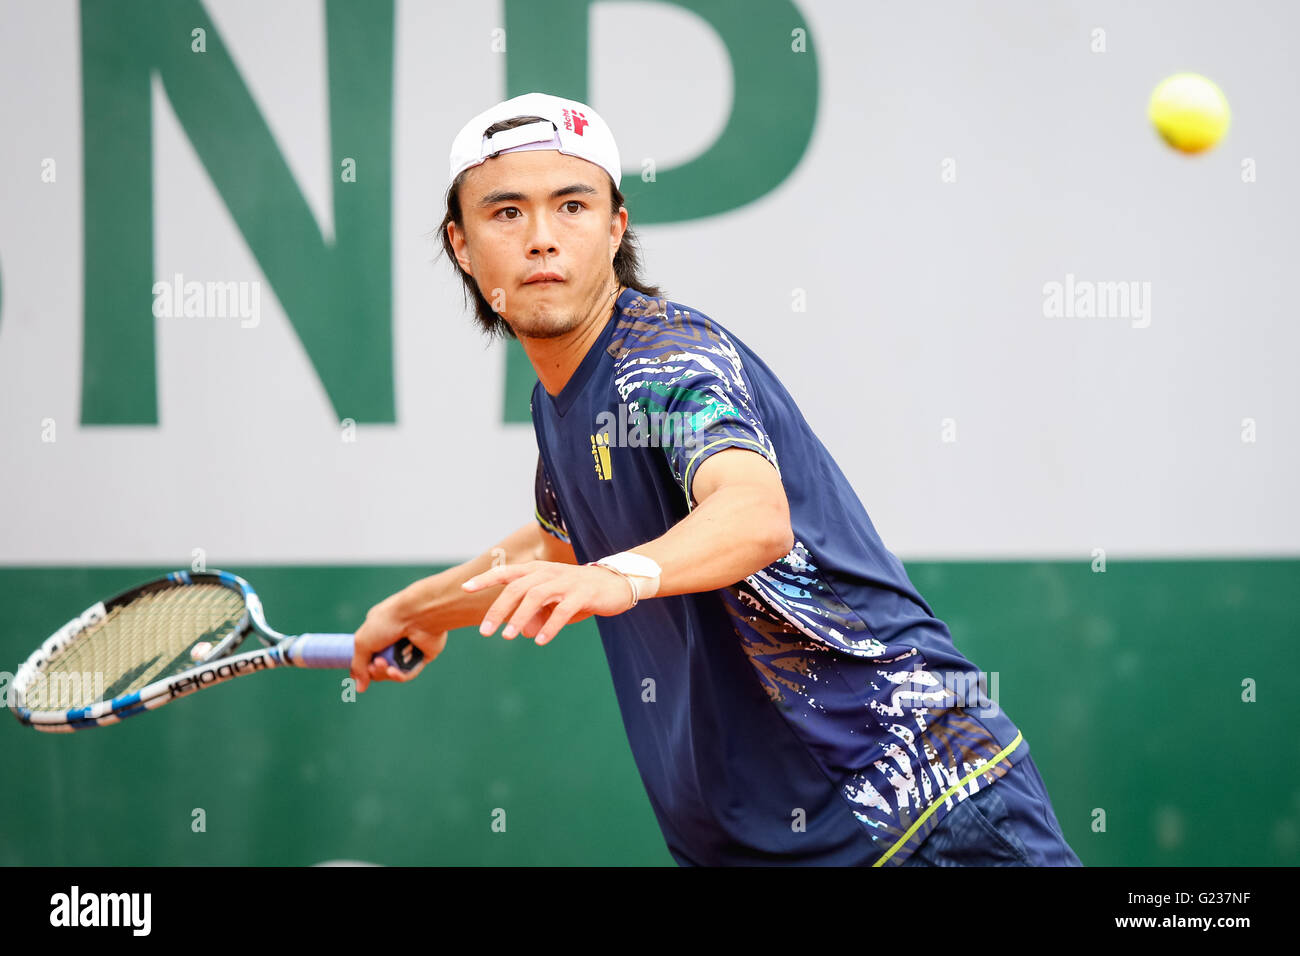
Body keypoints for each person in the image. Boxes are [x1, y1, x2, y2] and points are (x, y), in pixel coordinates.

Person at [350, 91, 1082, 867]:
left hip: (915, 814)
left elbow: (751, 514)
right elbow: (560, 551)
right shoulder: (560, 399)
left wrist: (621, 577)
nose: (542, 240)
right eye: (507, 214)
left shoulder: (667, 362)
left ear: (615, 227)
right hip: (763, 846)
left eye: (572, 206)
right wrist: (418, 607)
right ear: (461, 245)